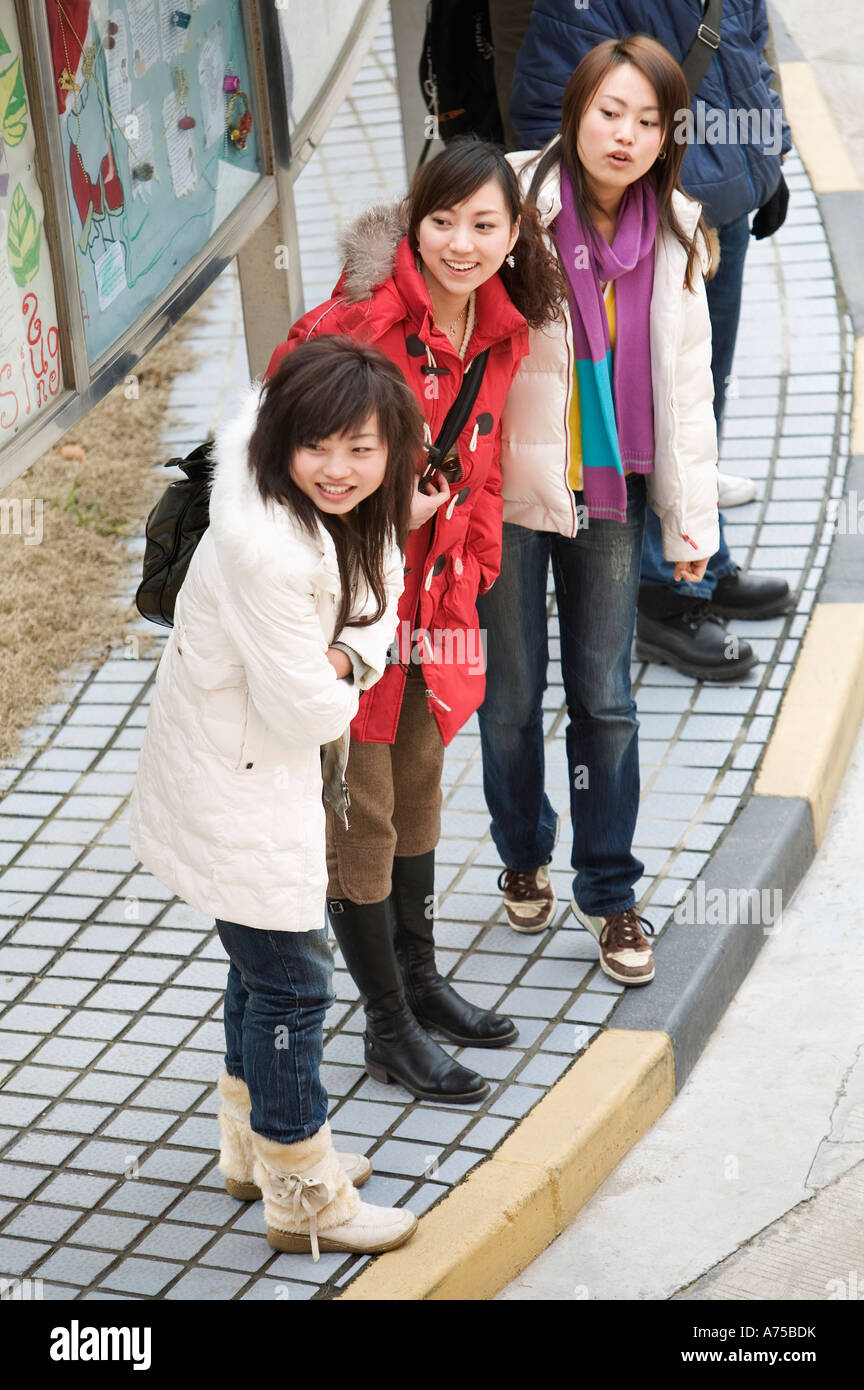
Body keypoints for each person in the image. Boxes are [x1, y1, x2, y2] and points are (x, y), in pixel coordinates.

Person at [267, 138, 566, 1103]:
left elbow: (478, 466)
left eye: (486, 225)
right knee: (363, 813)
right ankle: (387, 1024)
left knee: (421, 785)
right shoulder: (359, 323)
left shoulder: (501, 327)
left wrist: (476, 565)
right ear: (414, 219)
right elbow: (288, 453)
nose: (461, 244)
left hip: (436, 608)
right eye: (443, 221)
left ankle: (421, 977)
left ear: (515, 233)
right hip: (354, 609)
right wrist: (386, 517)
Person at [129, 337, 422, 1259]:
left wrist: (345, 643)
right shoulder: (269, 550)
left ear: (392, 451)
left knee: (257, 969)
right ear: (281, 442)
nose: (339, 470)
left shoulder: (290, 500)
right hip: (245, 784)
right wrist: (353, 655)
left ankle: (253, 1148)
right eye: (319, 447)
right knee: (295, 984)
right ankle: (304, 1195)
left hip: (234, 773)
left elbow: (374, 586)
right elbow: (310, 706)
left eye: (362, 450)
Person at [478, 36, 718, 982]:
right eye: (609, 112)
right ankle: (523, 849)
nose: (625, 135)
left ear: (668, 137)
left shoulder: (679, 230)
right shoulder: (511, 199)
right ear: (576, 111)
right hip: (512, 485)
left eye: (648, 121)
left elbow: (688, 390)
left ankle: (610, 891)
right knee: (508, 694)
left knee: (606, 700)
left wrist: (690, 524)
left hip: (613, 491)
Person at [510, 0, 793, 681]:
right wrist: (659, 208)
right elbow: (552, 108)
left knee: (698, 390)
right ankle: (664, 595)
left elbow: (752, 59)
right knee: (650, 401)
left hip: (719, 211)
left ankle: (703, 557)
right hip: (652, 232)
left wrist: (772, 155)